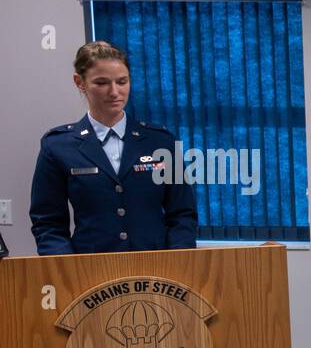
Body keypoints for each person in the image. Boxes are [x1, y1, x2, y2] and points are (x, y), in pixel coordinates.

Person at [30, 41, 196, 255]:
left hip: (157, 270)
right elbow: (48, 223)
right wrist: (66, 271)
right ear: (79, 82)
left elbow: (182, 214)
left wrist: (178, 261)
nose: (114, 92)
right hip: (89, 271)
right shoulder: (58, 146)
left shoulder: (160, 142)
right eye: (101, 83)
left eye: (122, 81)